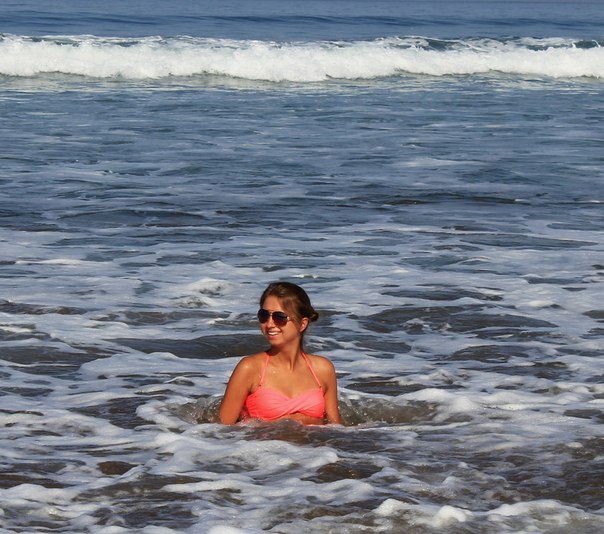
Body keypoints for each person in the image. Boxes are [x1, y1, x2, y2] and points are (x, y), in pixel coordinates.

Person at [219, 281, 341, 425]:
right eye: (264, 315)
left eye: (279, 317)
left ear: (302, 324)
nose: (270, 324)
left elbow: (336, 429)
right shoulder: (250, 368)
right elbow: (221, 430)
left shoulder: (323, 369)